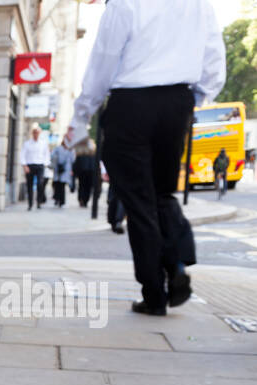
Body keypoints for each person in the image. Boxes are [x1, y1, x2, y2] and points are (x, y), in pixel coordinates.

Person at [64, 0, 226, 315]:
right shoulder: (198, 5)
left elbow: (103, 63)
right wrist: (195, 97)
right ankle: (175, 264)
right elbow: (213, 59)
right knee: (163, 193)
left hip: (131, 104)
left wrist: (82, 116)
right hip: (177, 101)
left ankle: (154, 294)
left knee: (139, 201)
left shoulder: (125, 3)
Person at [21, 125, 49, 210]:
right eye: (35, 133)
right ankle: (30, 204)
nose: (36, 134)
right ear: (32, 133)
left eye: (37, 133)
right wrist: (25, 166)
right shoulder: (27, 144)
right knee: (29, 185)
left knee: (40, 184)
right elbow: (22, 155)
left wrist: (45, 164)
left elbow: (46, 155)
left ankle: (39, 201)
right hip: (30, 165)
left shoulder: (43, 143)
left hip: (40, 165)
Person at [73, 138, 99, 208]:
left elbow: (76, 164)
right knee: (87, 186)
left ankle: (82, 199)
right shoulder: (93, 155)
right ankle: (84, 200)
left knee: (82, 186)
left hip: (84, 172)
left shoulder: (82, 153)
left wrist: (75, 172)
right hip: (89, 172)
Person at [51, 141, 75, 208]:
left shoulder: (70, 150)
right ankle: (57, 199)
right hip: (58, 169)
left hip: (66, 170)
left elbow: (73, 160)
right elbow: (52, 156)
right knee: (57, 185)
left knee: (62, 186)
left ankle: (61, 201)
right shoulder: (58, 148)